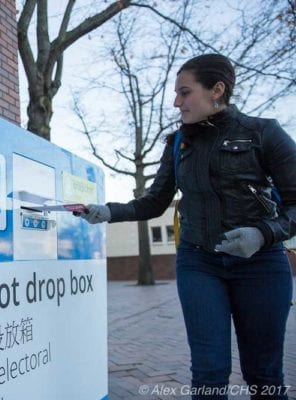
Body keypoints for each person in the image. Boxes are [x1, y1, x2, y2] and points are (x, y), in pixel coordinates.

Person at [77, 54, 295, 398]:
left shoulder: (264, 133)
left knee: (263, 372)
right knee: (209, 370)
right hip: (199, 263)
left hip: (262, 266)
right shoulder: (179, 143)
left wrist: (263, 233)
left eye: (184, 92)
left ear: (217, 90)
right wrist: (106, 211)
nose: (176, 102)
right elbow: (153, 201)